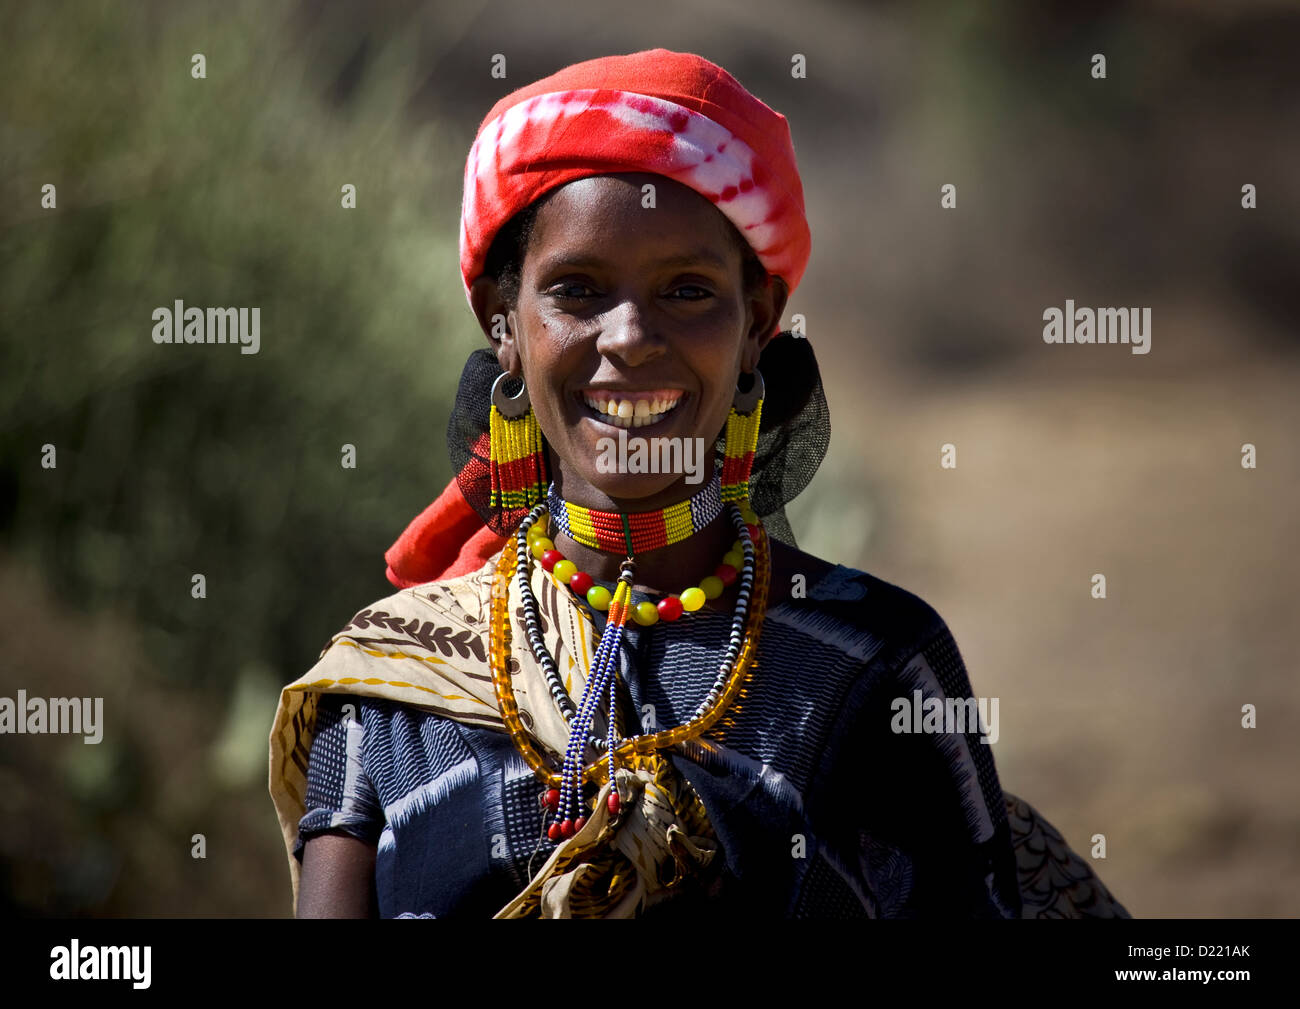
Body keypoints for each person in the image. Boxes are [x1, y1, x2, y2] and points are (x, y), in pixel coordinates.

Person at [268, 48, 1129, 919]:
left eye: (687, 289)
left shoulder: (877, 665)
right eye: (577, 290)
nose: (631, 336)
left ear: (756, 326)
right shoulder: (388, 686)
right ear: (505, 324)